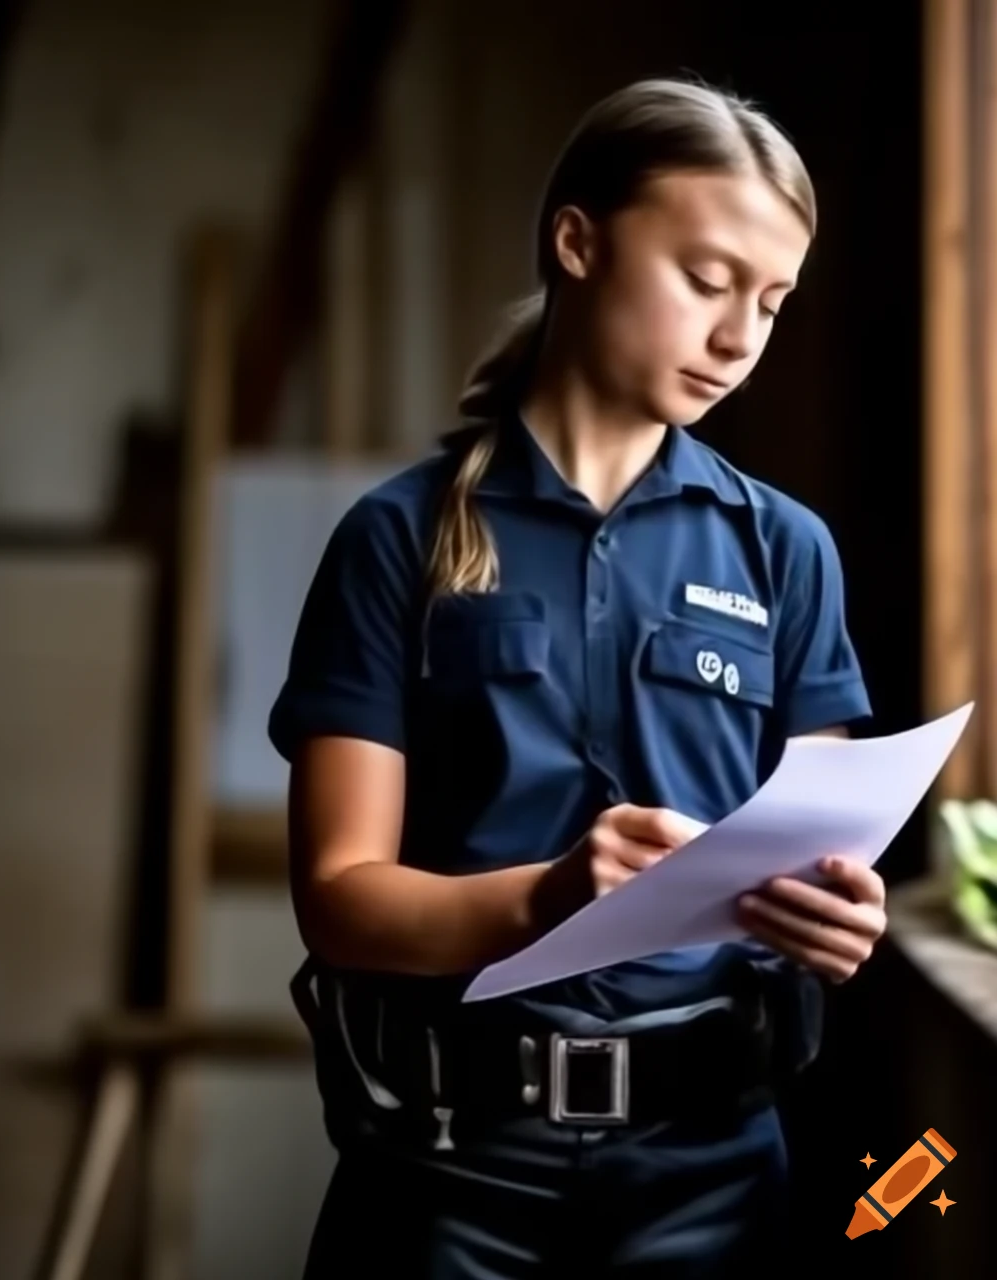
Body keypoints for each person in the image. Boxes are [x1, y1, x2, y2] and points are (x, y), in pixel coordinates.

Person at [268, 78, 888, 1278]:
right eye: (706, 280)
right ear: (577, 241)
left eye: (771, 301)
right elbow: (339, 894)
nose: (738, 336)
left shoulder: (784, 549)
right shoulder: (395, 539)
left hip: (716, 1169)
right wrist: (545, 896)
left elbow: (814, 845)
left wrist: (837, 914)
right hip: (445, 1169)